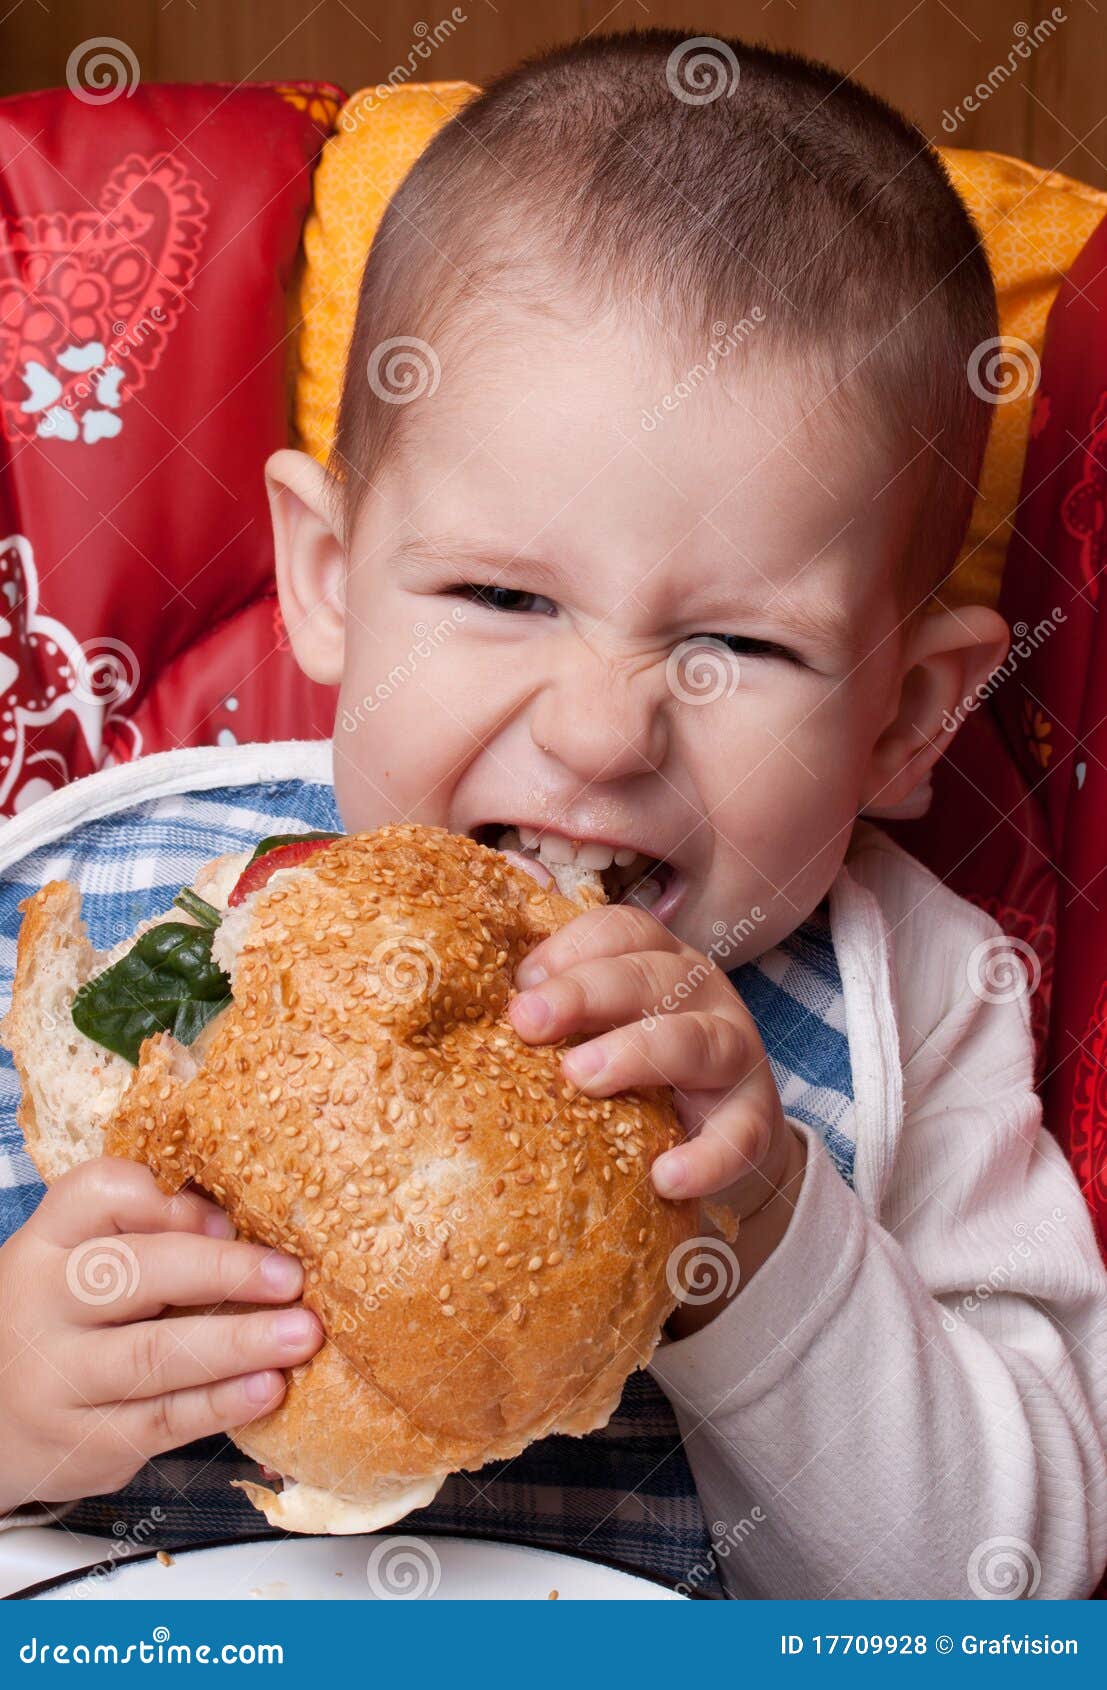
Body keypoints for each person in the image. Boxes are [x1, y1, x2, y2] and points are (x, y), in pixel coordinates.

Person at [0, 31, 1103, 1598]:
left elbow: (1017, 1577)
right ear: (329, 581)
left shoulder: (925, 1000)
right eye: (504, 594)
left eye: (737, 646)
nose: (598, 733)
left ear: (908, 717)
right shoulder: (113, 900)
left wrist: (762, 1235)